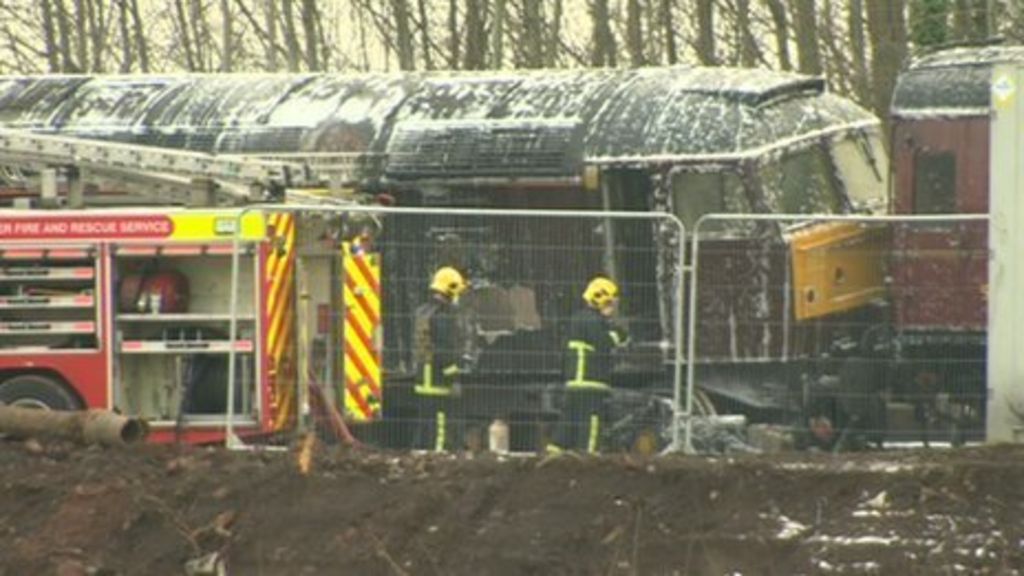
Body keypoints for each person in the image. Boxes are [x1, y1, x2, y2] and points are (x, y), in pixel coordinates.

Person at [551, 276, 629, 454]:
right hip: (589, 383)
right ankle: (588, 460)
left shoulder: (580, 319)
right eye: (610, 302)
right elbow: (604, 342)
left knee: (568, 424)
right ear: (601, 299)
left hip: (575, 383)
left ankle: (553, 457)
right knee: (591, 425)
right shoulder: (593, 322)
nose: (612, 307)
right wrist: (620, 334)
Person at [413, 266, 469, 452]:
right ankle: (437, 464)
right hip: (439, 382)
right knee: (440, 430)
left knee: (426, 428)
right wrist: (454, 379)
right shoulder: (444, 316)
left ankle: (423, 458)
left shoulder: (423, 311)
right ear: (449, 289)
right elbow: (445, 352)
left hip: (424, 378)